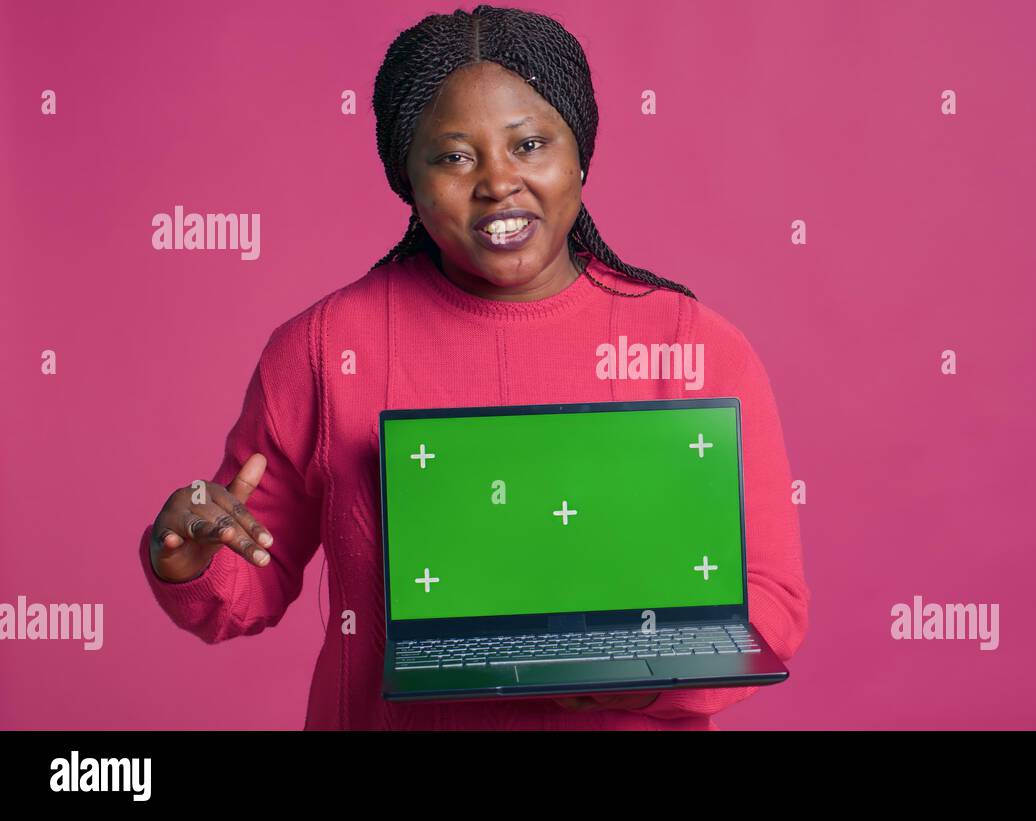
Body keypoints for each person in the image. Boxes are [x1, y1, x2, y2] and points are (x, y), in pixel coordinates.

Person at [139, 4, 809, 730]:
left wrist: (632, 678)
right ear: (408, 175)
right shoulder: (323, 349)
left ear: (579, 155)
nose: (498, 182)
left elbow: (769, 601)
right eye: (455, 156)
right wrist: (187, 554)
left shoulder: (694, 345)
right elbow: (245, 585)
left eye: (530, 144)